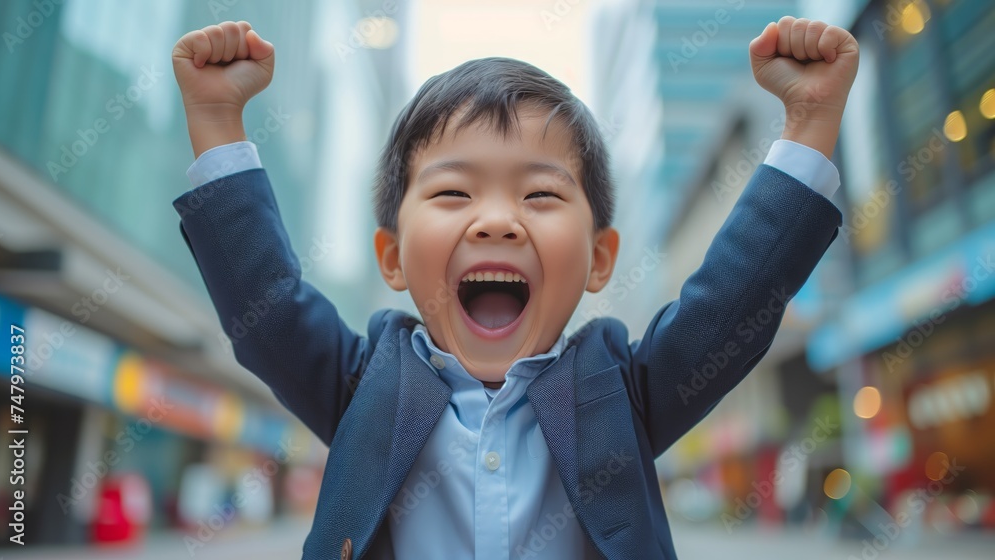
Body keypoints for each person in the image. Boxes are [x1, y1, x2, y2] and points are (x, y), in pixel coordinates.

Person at [171, 16, 858, 560]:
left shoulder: (621, 391)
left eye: (538, 193)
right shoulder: (360, 387)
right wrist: (216, 124)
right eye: (452, 191)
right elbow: (267, 311)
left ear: (597, 259)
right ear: (392, 258)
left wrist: (808, 127)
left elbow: (729, 306)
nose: (497, 221)